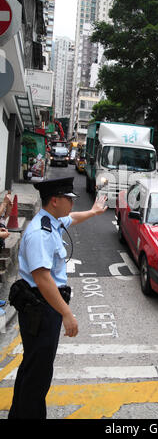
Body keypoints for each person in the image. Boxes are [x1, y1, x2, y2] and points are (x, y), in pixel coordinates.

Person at [8, 177, 108, 419]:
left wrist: (93, 212)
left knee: (32, 367)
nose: (72, 203)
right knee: (39, 375)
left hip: (43, 306)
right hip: (41, 309)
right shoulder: (40, 233)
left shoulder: (51, 221)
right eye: (69, 199)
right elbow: (42, 279)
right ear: (55, 201)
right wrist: (67, 313)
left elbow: (72, 219)